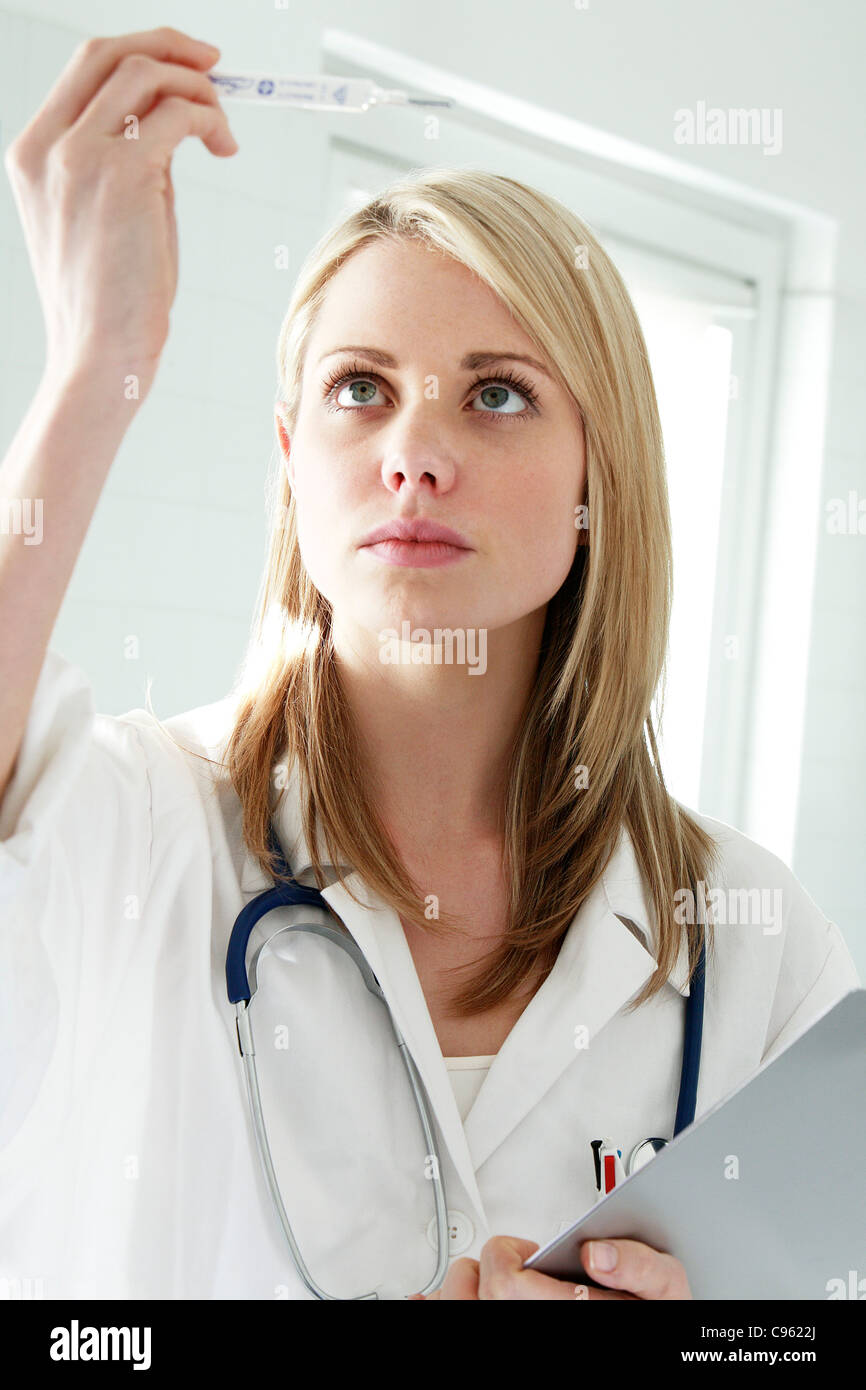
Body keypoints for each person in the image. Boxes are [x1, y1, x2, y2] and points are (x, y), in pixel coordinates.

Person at [0, 25, 858, 1303]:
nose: (412, 451)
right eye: (359, 387)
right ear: (291, 460)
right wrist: (92, 362)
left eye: (495, 393)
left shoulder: (745, 934)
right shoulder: (135, 829)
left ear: (594, 481)